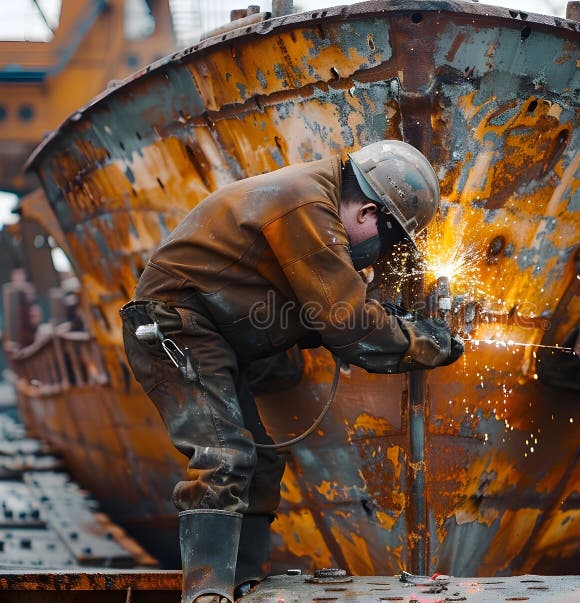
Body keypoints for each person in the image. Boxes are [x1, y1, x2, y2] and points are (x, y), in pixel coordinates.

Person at [119, 140, 462, 603]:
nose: (380, 255)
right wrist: (426, 342)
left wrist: (386, 320)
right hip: (172, 326)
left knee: (261, 460)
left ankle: (239, 585)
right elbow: (350, 325)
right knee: (225, 456)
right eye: (389, 239)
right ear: (365, 213)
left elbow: (318, 309)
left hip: (210, 331)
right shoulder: (305, 206)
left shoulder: (313, 199)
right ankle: (206, 595)